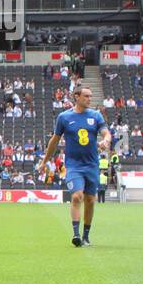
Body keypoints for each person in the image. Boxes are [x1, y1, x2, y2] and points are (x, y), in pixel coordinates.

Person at [40, 86, 110, 246]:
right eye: (86, 96)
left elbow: (106, 132)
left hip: (92, 164)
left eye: (91, 96)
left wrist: (106, 140)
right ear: (76, 97)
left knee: (91, 200)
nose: (89, 99)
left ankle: (86, 235)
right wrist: (45, 161)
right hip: (73, 166)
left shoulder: (95, 115)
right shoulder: (64, 117)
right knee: (77, 196)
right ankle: (76, 235)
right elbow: (54, 141)